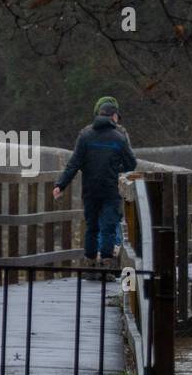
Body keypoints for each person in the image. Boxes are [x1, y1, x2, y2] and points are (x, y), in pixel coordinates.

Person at [53, 96, 137, 268]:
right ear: (113, 116)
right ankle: (107, 264)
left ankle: (89, 264)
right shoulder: (119, 137)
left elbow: (74, 163)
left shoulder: (85, 136)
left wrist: (60, 184)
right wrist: (115, 167)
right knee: (108, 227)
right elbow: (131, 164)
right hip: (111, 189)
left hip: (90, 189)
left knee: (92, 227)